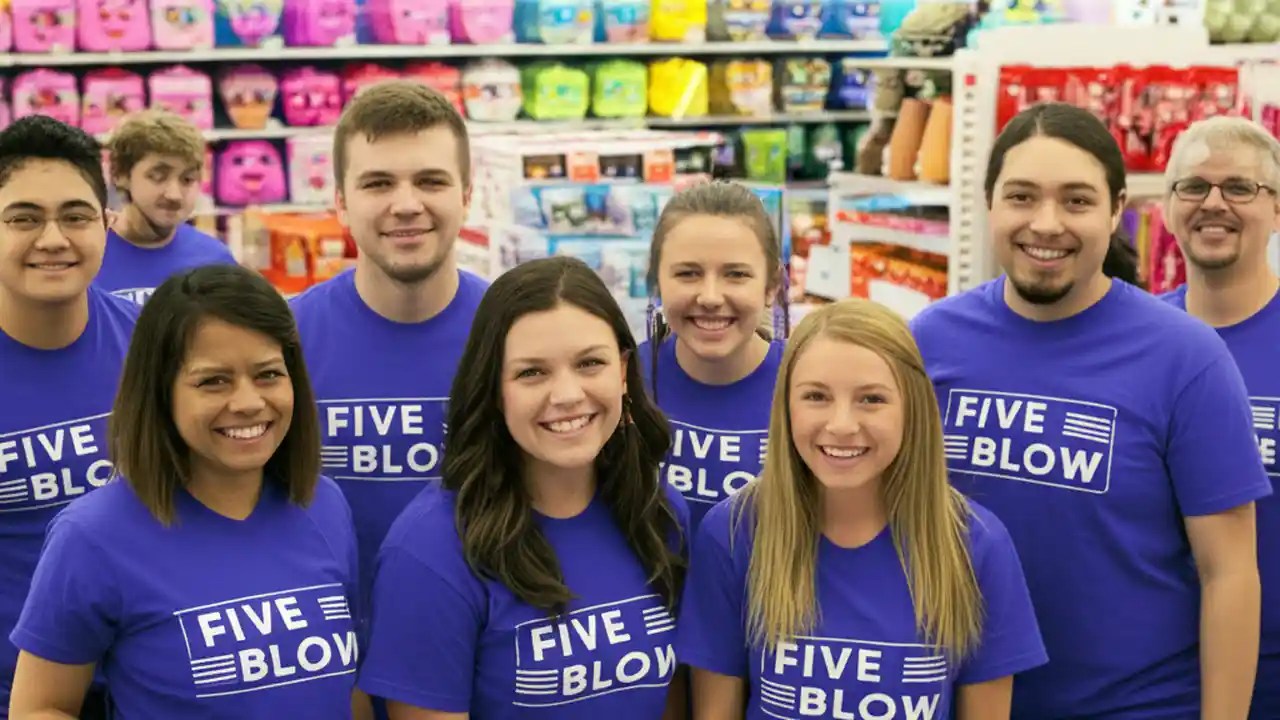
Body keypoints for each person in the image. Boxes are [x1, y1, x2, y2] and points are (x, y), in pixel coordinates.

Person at [910, 102, 1271, 719]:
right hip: (965, 700)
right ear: (990, 204)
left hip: (1138, 705)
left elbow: (1230, 573)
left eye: (1076, 200)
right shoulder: (929, 341)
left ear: (1116, 209)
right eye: (1022, 197)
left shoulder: (1185, 355)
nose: (1046, 224)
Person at [8, 264, 362, 719]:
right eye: (213, 381)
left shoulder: (324, 504)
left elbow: (346, 691)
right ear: (160, 392)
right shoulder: (92, 536)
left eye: (269, 374)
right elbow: (40, 709)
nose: (249, 402)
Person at [677, 297, 1047, 719]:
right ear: (785, 407)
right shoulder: (734, 531)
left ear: (913, 409)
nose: (841, 425)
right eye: (816, 396)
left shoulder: (976, 545)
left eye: (871, 399)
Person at [357, 256, 691, 719]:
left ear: (622, 371)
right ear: (495, 389)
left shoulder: (658, 514)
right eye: (532, 372)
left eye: (590, 363)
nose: (568, 395)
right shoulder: (430, 551)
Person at [289, 80, 488, 620]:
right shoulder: (282, 340)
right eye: (378, 183)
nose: (406, 205)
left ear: (467, 196)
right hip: (325, 664)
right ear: (340, 202)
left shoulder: (518, 332)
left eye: (431, 181)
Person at [0, 115, 138, 719]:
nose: (53, 238)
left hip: (145, 686)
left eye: (76, 216)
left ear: (107, 225)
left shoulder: (153, 350)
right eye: (23, 218)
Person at [1158, 115, 1280, 720]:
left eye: (1239, 188)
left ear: (1277, 210)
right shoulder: (1139, 340)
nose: (1214, 204)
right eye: (1193, 186)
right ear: (1165, 205)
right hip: (1155, 678)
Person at [639, 181, 787, 532]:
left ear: (771, 286)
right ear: (657, 281)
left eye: (735, 274)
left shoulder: (807, 386)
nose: (710, 296)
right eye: (688, 274)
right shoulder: (622, 381)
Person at [95, 109, 235, 304]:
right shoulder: (88, 255)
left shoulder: (215, 260)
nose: (174, 195)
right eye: (158, 176)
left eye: (187, 179)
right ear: (120, 174)